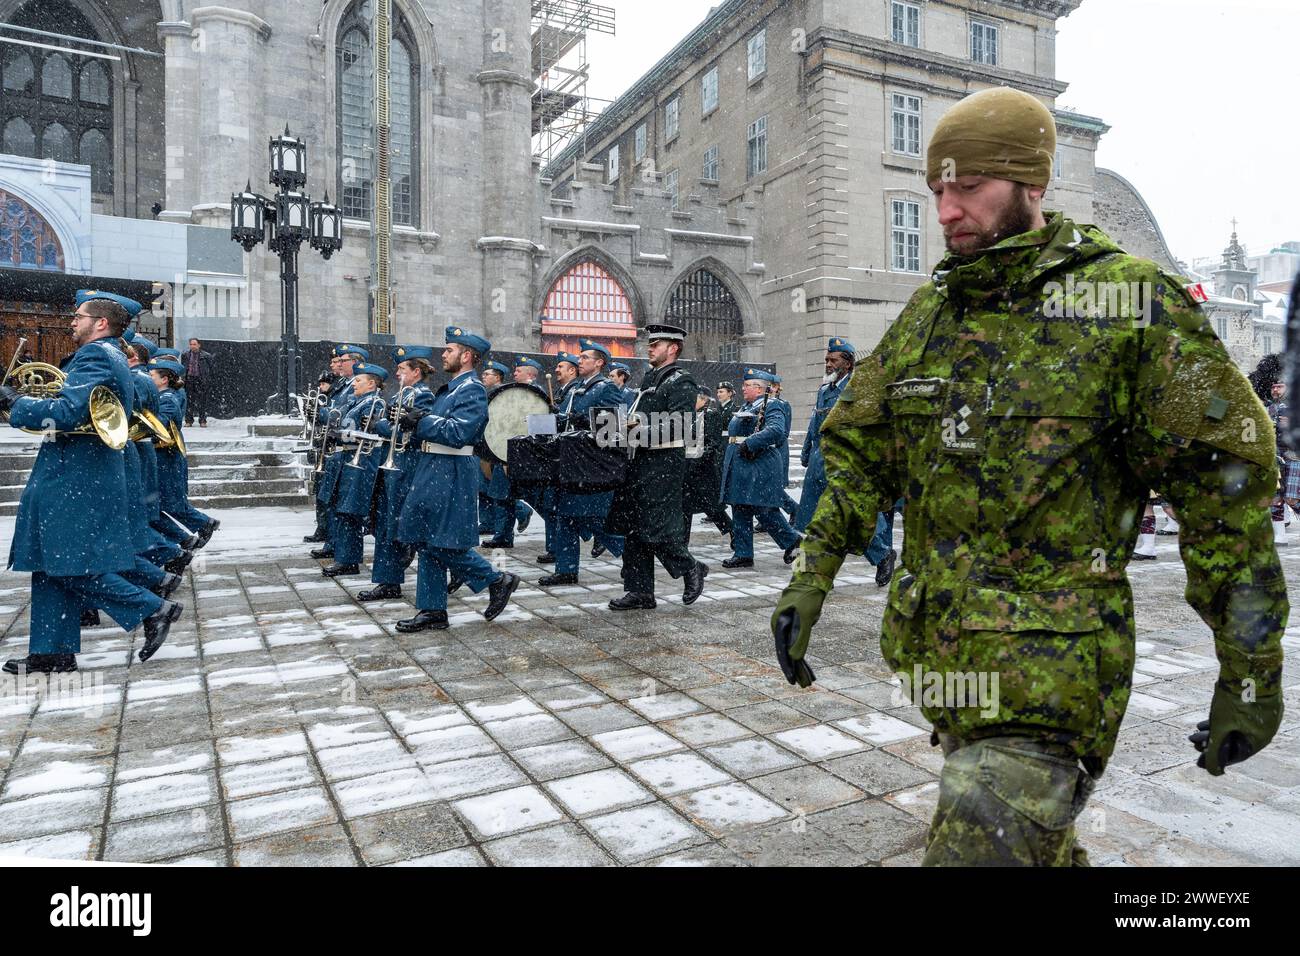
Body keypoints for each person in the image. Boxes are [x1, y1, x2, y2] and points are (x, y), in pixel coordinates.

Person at [772, 86, 1287, 867]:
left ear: (1031, 184)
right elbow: (860, 454)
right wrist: (811, 576)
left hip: (1054, 673)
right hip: (941, 664)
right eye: (936, 190)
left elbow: (1226, 500)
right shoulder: (931, 317)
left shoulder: (1127, 306)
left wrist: (1249, 676)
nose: (946, 210)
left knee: (979, 842)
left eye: (969, 187)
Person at [0, 291, 182, 674]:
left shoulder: (97, 354)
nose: (71, 321)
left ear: (100, 323)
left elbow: (67, 412)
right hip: (75, 467)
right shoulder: (112, 355)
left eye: (78, 316)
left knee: (68, 561)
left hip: (76, 470)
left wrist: (16, 404)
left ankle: (152, 608)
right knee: (50, 561)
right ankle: (51, 651)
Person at [391, 327, 520, 632]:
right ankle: (432, 609)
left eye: (449, 350)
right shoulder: (452, 388)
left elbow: (458, 433)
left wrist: (421, 420)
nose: (443, 354)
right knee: (426, 540)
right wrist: (410, 420)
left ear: (466, 356)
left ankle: (496, 578)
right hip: (434, 467)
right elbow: (436, 427)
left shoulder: (471, 389)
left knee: (442, 542)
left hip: (451, 471)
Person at [606, 323, 708, 609]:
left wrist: (633, 432)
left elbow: (681, 426)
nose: (649, 348)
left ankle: (690, 567)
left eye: (656, 344)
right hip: (641, 462)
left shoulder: (681, 381)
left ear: (673, 348)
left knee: (656, 526)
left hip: (664, 463)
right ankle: (640, 591)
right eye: (650, 344)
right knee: (635, 527)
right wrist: (620, 428)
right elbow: (641, 417)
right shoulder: (652, 379)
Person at [794, 337, 897, 587]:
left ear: (848, 363)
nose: (828, 364)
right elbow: (814, 426)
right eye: (827, 360)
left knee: (854, 514)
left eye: (833, 360)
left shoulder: (858, 388)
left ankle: (883, 555)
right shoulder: (824, 391)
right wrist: (807, 452)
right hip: (821, 461)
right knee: (813, 517)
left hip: (847, 462)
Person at [541, 339, 626, 585]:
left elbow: (612, 426)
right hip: (572, 462)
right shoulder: (579, 389)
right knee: (566, 516)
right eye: (580, 357)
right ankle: (566, 570)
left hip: (591, 465)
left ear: (599, 363)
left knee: (593, 519)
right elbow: (568, 421)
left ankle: (631, 556)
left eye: (585, 357)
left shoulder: (606, 388)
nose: (580, 360)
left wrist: (578, 421)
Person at [361, 347, 438, 601]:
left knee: (406, 524)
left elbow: (412, 430)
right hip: (391, 464)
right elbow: (393, 424)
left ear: (416, 372)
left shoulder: (422, 396)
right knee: (386, 524)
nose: (397, 372)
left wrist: (380, 425)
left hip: (407, 465)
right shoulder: (401, 394)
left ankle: (453, 566)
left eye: (402, 368)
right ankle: (388, 580)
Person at [720, 369, 802, 569]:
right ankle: (743, 553)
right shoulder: (747, 406)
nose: (743, 388)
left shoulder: (772, 405)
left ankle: (792, 541)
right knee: (740, 508)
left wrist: (751, 443)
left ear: (758, 388)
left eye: (747, 385)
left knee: (764, 509)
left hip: (758, 463)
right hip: (741, 464)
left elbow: (776, 430)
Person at [319, 363, 388, 578]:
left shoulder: (374, 403)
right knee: (343, 509)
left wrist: (344, 434)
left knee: (351, 511)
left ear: (371, 383)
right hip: (346, 458)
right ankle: (346, 557)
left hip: (360, 461)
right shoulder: (356, 401)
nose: (354, 384)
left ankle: (348, 560)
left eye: (359, 380)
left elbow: (371, 433)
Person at [149, 356, 219, 548]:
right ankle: (190, 535)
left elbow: (159, 427)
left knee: (168, 503)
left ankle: (200, 526)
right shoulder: (163, 397)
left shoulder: (168, 399)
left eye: (152, 374)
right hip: (162, 456)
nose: (149, 377)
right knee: (162, 504)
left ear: (164, 379)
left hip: (166, 457)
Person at [308, 345, 367, 558]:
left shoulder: (357, 386)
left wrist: (324, 413)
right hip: (335, 445)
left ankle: (343, 551)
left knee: (342, 505)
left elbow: (343, 414)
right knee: (332, 500)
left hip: (347, 448)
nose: (338, 364)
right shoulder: (344, 383)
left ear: (356, 363)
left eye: (343, 360)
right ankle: (334, 544)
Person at [682, 385, 731, 540]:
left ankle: (732, 530)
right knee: (686, 506)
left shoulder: (711, 415)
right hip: (691, 469)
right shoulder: (693, 415)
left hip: (704, 470)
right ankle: (682, 542)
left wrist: (696, 463)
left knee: (711, 507)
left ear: (703, 399)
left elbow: (711, 443)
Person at [183, 338, 214, 427]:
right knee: (189, 401)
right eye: (191, 344)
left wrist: (207, 379)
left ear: (199, 345)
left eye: (194, 344)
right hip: (189, 379)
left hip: (201, 380)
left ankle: (202, 420)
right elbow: (184, 367)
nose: (192, 346)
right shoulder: (186, 355)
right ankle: (189, 420)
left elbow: (211, 369)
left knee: (202, 401)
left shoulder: (206, 356)